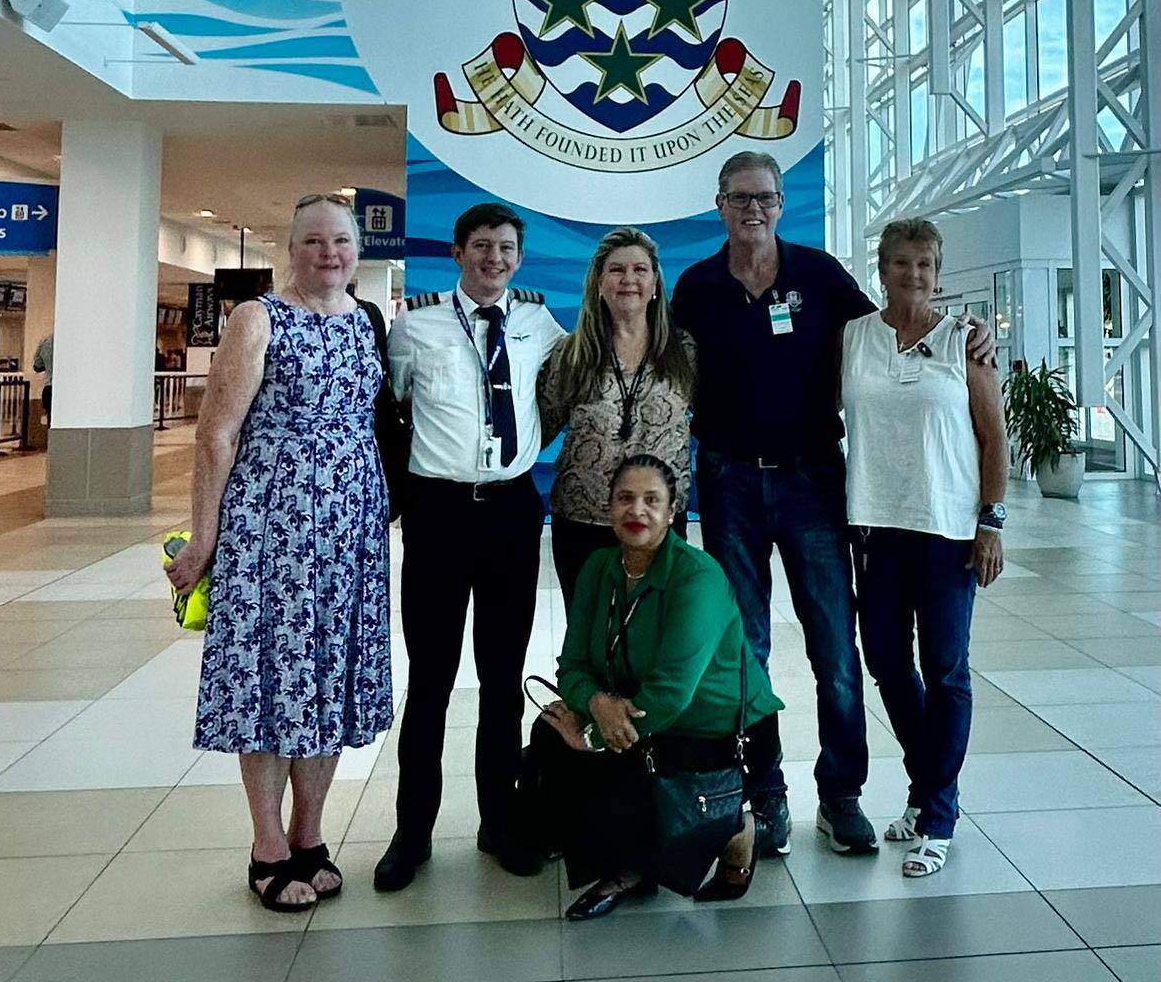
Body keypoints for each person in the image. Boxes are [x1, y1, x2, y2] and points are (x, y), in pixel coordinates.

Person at [672, 150, 995, 859]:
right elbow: (672, 373)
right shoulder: (695, 287)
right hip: (727, 483)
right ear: (719, 205)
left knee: (835, 651)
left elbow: (897, 326)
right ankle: (766, 795)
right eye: (739, 198)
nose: (753, 209)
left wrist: (971, 336)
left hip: (812, 481)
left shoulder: (819, 276)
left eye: (765, 197)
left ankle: (840, 794)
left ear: (781, 204)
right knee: (745, 648)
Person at [166, 194, 392, 911]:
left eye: (342, 242)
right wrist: (204, 538)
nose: (330, 253)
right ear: (290, 250)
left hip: (351, 532)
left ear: (357, 252)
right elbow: (216, 434)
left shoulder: (365, 321)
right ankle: (267, 843)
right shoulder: (258, 317)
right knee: (270, 679)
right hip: (273, 531)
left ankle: (309, 834)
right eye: (315, 241)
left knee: (328, 678)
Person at [373, 201, 564, 892]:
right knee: (429, 683)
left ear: (519, 257)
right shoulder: (416, 325)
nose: (494, 259)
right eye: (481, 246)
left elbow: (565, 387)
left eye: (506, 248)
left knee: (501, 679)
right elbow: (390, 412)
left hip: (512, 510)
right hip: (441, 512)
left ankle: (499, 820)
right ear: (457, 253)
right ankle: (412, 831)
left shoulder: (540, 321)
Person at [533, 454, 783, 918]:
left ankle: (734, 830)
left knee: (615, 762)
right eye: (625, 499)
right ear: (607, 508)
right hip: (640, 716)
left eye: (652, 500)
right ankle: (629, 857)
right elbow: (572, 665)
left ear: (673, 513)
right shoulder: (598, 570)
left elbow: (671, 695)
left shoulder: (697, 577)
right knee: (550, 734)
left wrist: (592, 732)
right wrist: (596, 704)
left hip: (721, 733)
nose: (637, 511)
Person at [841, 217, 1008, 877]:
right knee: (884, 660)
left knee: (945, 671)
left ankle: (937, 813)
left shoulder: (964, 341)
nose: (913, 275)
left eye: (925, 265)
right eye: (902, 263)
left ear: (938, 274)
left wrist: (992, 522)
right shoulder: (854, 338)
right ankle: (930, 783)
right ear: (882, 270)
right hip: (876, 526)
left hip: (947, 531)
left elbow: (995, 437)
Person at [538, 227, 696, 607]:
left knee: (653, 638)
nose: (629, 280)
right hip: (584, 521)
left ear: (655, 283)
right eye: (617, 270)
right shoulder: (571, 354)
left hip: (659, 522)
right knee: (589, 639)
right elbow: (537, 430)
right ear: (598, 282)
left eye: (640, 270)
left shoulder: (684, 351)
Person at [32, 332, 53, 421]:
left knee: (51, 423)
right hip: (67, 390)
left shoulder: (46, 341)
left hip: (49, 388)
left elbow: (37, 366)